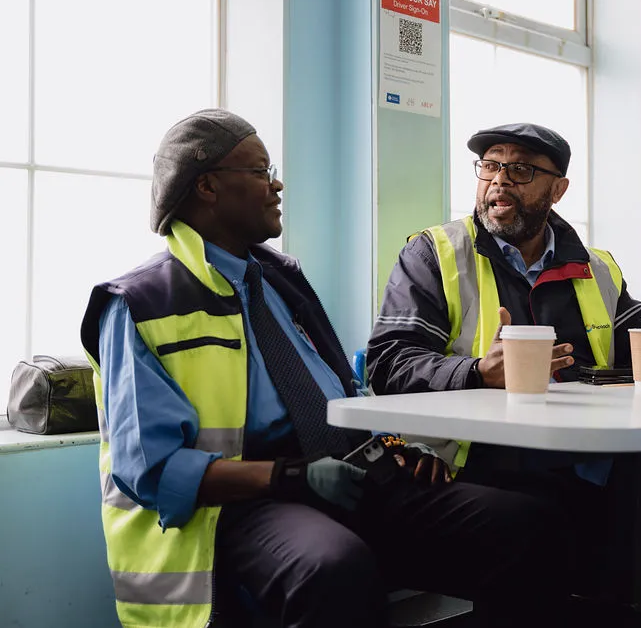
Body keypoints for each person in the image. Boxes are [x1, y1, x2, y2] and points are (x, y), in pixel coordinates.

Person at [80, 110, 569, 628]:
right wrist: (292, 476)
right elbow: (149, 470)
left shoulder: (279, 280)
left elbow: (341, 390)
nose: (277, 184)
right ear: (208, 187)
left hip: (344, 473)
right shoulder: (140, 302)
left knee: (524, 522)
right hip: (242, 503)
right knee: (332, 566)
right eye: (261, 172)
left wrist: (400, 445)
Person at [367, 122, 641, 619]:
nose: (499, 181)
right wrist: (477, 372)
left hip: (583, 454)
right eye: (490, 166)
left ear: (557, 190)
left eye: (520, 170)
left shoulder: (594, 266)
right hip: (477, 459)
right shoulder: (435, 254)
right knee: (541, 515)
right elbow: (389, 361)